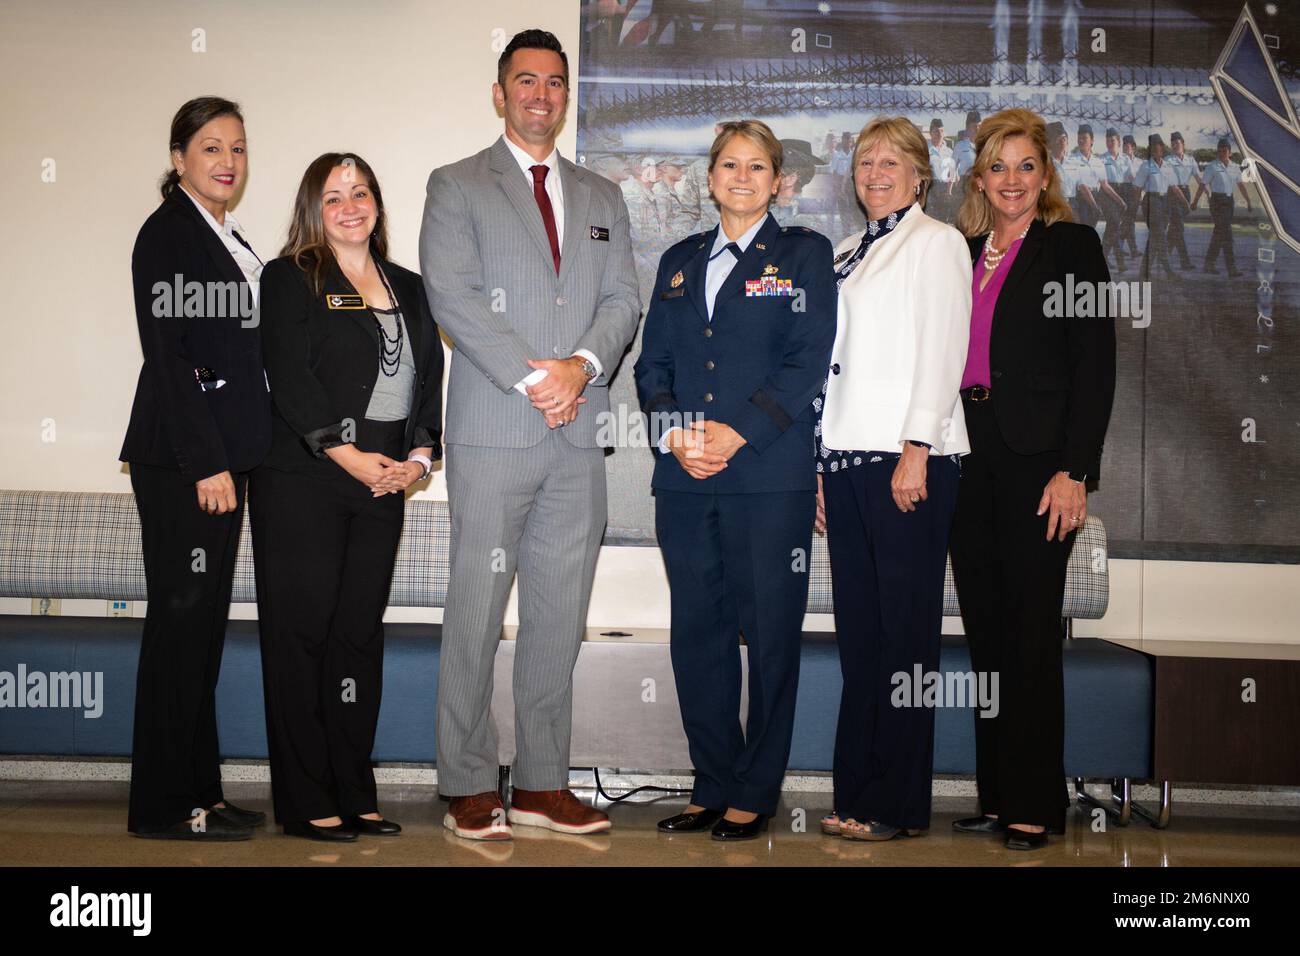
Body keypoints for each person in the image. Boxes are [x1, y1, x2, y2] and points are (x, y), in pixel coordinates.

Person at [419, 28, 640, 840]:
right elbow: (454, 298)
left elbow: (623, 301)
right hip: (492, 434)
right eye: (525, 81)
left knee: (558, 614)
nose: (540, 94)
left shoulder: (603, 196)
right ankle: (467, 781)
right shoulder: (456, 186)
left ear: (566, 94)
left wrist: (579, 368)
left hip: (577, 437)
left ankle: (544, 782)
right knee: (476, 609)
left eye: (554, 82)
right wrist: (534, 376)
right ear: (500, 93)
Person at [634, 120, 835, 841]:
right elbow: (651, 365)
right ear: (711, 176)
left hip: (767, 479)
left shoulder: (804, 256)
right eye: (729, 164)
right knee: (698, 637)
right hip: (686, 481)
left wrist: (737, 432)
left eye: (757, 166)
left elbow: (807, 361)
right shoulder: (678, 260)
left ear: (778, 180)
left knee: (773, 637)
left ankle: (756, 790)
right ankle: (711, 783)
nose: (742, 177)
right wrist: (676, 432)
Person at [252, 154, 443, 842]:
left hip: (385, 481)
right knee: (300, 638)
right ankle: (306, 800)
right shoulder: (288, 279)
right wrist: (348, 455)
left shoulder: (412, 288)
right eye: (334, 196)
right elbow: (290, 378)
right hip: (305, 479)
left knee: (357, 639)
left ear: (377, 204)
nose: (350, 205)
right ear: (314, 209)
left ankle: (355, 790)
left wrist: (419, 460)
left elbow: (428, 385)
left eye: (360, 192)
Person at [951, 108, 1116, 850]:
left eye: (1025, 166)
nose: (1011, 180)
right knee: (986, 634)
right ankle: (996, 793)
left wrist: (1075, 470)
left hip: (1038, 464)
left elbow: (1096, 364)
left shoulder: (1073, 246)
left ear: (1044, 176)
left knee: (1028, 634)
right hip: (969, 452)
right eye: (998, 167)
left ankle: (1037, 802)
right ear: (979, 179)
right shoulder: (959, 250)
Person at [816, 116, 972, 842]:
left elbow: (943, 352)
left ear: (920, 174)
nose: (874, 172)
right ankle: (856, 793)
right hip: (848, 463)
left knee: (905, 642)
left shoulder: (936, 243)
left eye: (890, 162)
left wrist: (918, 445)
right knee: (862, 641)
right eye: (864, 161)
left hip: (910, 462)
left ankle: (898, 805)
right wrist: (822, 463)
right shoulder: (847, 250)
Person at [121, 96, 270, 841]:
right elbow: (171, 357)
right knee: (180, 628)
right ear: (179, 157)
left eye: (238, 149)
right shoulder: (167, 235)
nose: (227, 162)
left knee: (204, 630)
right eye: (212, 148)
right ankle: (160, 805)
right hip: (185, 463)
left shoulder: (223, 234)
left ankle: (201, 793)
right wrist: (209, 464)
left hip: (222, 461)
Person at [1193, 137, 1251, 277]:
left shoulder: (1235, 167)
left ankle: (1209, 264)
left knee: (1219, 235)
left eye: (1224, 151)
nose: (1221, 153)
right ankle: (1231, 269)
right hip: (1217, 203)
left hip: (1229, 202)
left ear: (1229, 153)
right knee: (1226, 234)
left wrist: (1248, 201)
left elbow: (1241, 185)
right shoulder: (1212, 166)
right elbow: (1203, 185)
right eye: (1219, 151)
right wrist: (1195, 202)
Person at [1135, 133, 1188, 280]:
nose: (1154, 149)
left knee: (1155, 237)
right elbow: (1137, 188)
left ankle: (1143, 272)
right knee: (1161, 237)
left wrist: (1185, 203)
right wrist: (1138, 206)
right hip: (1151, 202)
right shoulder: (1146, 166)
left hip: (1165, 203)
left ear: (1162, 148)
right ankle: (1168, 270)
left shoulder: (1167, 166)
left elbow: (1175, 188)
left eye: (1157, 147)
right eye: (1151, 147)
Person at [1165, 132, 1200, 271]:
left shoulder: (1190, 160)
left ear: (1183, 143)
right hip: (1172, 194)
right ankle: (1184, 262)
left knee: (1174, 229)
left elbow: (1199, 178)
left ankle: (1162, 256)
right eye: (1172, 144)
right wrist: (1185, 203)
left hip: (1186, 192)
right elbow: (1172, 185)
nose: (1175, 146)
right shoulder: (1167, 161)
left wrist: (1208, 193)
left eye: (1177, 143)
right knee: (1178, 227)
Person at [1100, 128, 1130, 272]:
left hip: (1123, 191)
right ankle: (1121, 264)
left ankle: (1101, 259)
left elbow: (1131, 177)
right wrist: (1120, 200)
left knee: (1111, 228)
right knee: (1115, 226)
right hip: (1108, 194)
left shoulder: (1125, 159)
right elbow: (1104, 184)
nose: (1110, 143)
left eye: (1112, 140)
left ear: (1118, 141)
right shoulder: (1102, 159)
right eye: (1107, 140)